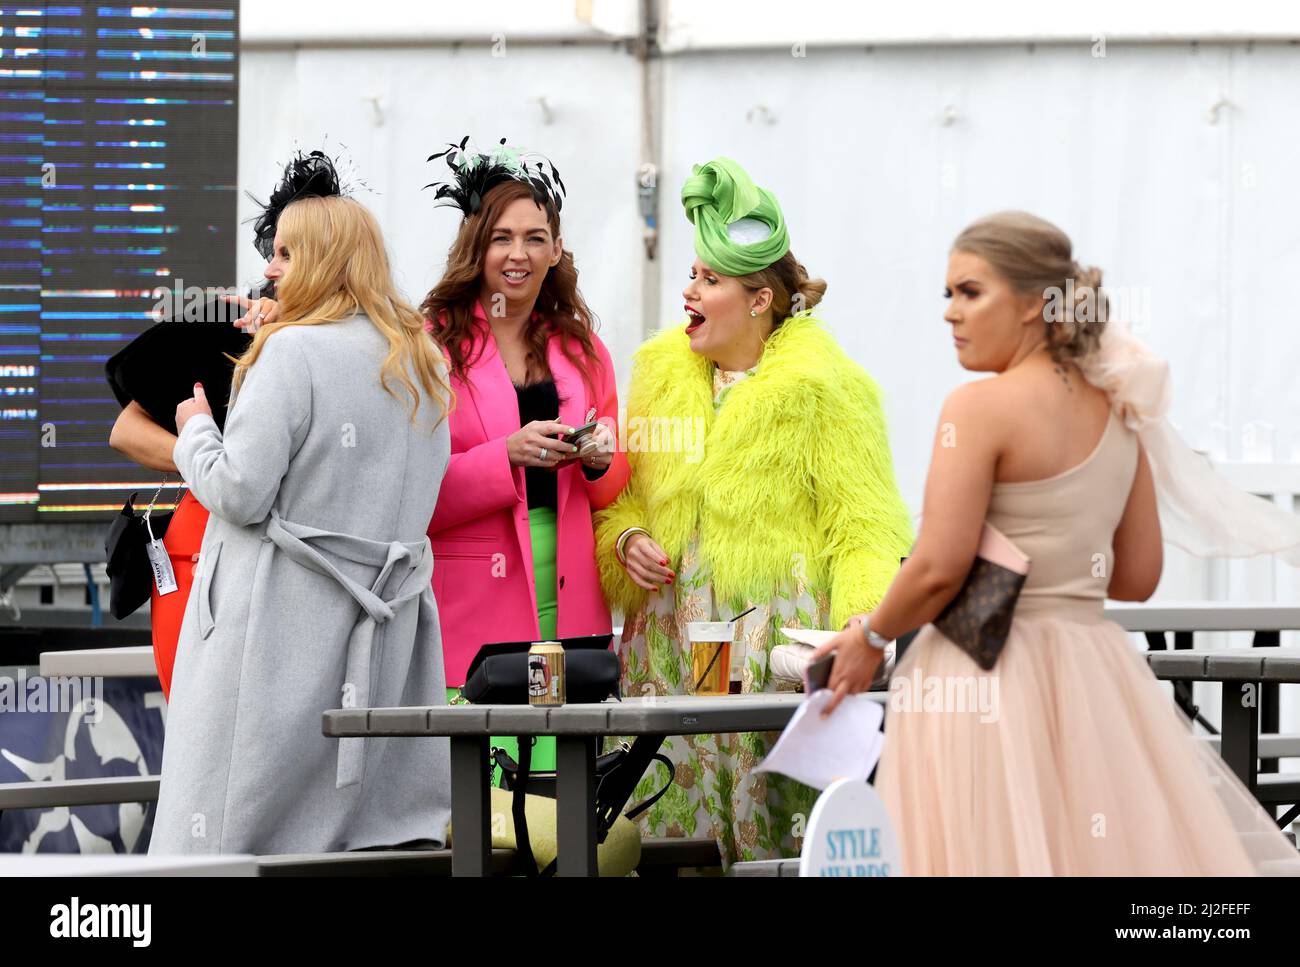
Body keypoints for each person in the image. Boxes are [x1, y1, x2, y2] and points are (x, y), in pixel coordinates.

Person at [815, 210, 1300, 875]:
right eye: (947, 293)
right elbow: (1136, 576)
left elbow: (937, 569)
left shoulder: (976, 409)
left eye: (969, 291)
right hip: (1092, 674)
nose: (949, 313)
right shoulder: (1118, 413)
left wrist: (868, 639)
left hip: (980, 673)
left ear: (1033, 305)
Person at [594, 157, 914, 866]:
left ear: (761, 299)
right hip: (670, 650)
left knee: (774, 836)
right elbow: (620, 500)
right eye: (691, 274)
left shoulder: (827, 388)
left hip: (771, 652)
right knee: (666, 831)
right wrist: (629, 542)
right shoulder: (658, 378)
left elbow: (869, 529)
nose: (688, 291)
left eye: (708, 279)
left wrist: (862, 631)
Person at [150, 191, 454, 854]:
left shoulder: (290, 354)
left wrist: (195, 432)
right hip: (384, 642)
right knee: (353, 836)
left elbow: (239, 492)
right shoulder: (423, 364)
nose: (271, 269)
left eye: (286, 253)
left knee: (231, 836)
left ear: (323, 258)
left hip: (272, 638)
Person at [420, 139, 628, 777]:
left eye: (536, 237)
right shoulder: (429, 344)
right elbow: (412, 492)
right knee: (482, 808)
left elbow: (613, 485)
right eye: (502, 238)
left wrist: (596, 458)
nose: (519, 254)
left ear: (557, 249)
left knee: (565, 801)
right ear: (477, 247)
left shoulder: (582, 346)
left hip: (572, 606)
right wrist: (505, 457)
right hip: (473, 610)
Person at [106, 150, 343, 698]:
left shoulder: (362, 343)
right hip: (206, 555)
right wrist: (209, 460)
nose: (274, 265)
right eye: (277, 248)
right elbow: (126, 429)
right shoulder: (228, 318)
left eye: (294, 249)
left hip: (299, 570)